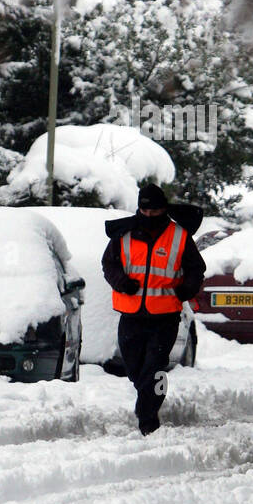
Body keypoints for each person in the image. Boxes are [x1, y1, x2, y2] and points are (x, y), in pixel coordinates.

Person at [102, 183, 206, 435]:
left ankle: (149, 418)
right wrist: (121, 282)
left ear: (163, 210)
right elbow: (109, 265)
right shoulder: (124, 235)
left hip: (165, 317)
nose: (148, 217)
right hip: (131, 315)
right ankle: (146, 401)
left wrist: (185, 291)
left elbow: (196, 270)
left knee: (155, 369)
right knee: (135, 368)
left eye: (154, 212)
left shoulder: (179, 236)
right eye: (144, 211)